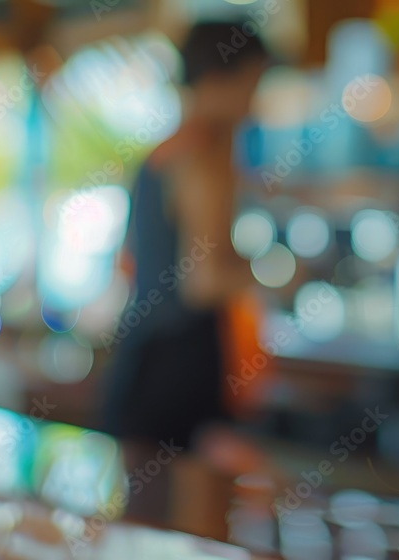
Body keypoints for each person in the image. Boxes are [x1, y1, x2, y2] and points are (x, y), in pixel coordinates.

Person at [98, 21, 269, 454]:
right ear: (217, 81)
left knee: (140, 511)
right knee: (191, 514)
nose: (255, 106)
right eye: (252, 86)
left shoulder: (162, 154)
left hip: (141, 358)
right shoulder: (205, 157)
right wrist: (281, 274)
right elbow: (204, 282)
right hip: (179, 365)